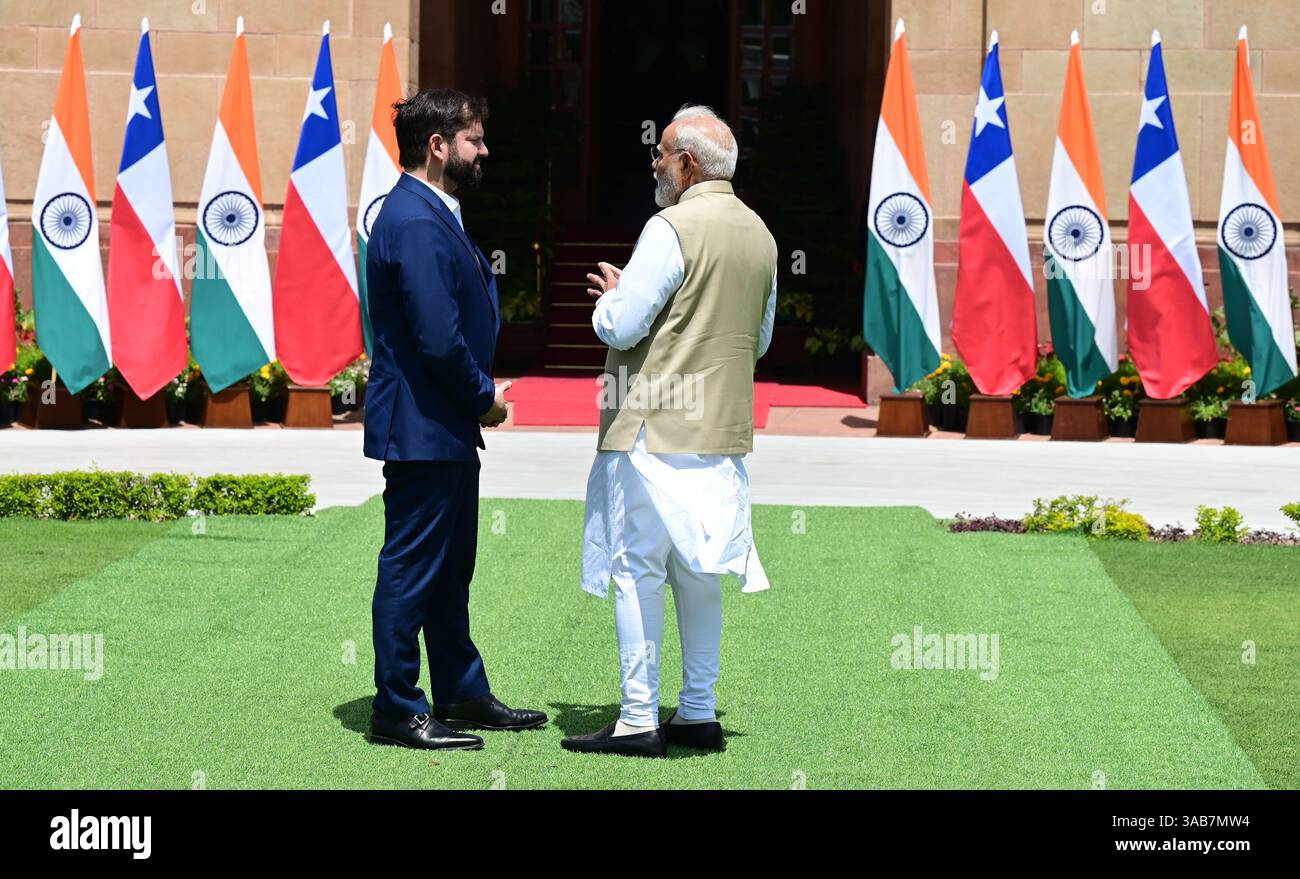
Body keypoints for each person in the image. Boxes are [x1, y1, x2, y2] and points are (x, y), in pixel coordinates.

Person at [561, 105, 778, 759]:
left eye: (661, 152)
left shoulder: (670, 225)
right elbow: (756, 339)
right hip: (720, 436)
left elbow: (622, 326)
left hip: (651, 430)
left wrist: (609, 298)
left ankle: (636, 718)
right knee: (698, 573)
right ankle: (698, 712)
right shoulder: (762, 235)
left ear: (686, 165)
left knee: (635, 572)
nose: (653, 161)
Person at [363, 88, 546, 750]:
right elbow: (436, 337)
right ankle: (397, 707)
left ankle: (461, 690)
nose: (485, 149)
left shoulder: (433, 209)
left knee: (447, 568)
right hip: (423, 425)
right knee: (412, 567)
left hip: (438, 426)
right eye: (474, 139)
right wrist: (484, 398)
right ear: (438, 146)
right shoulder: (413, 218)